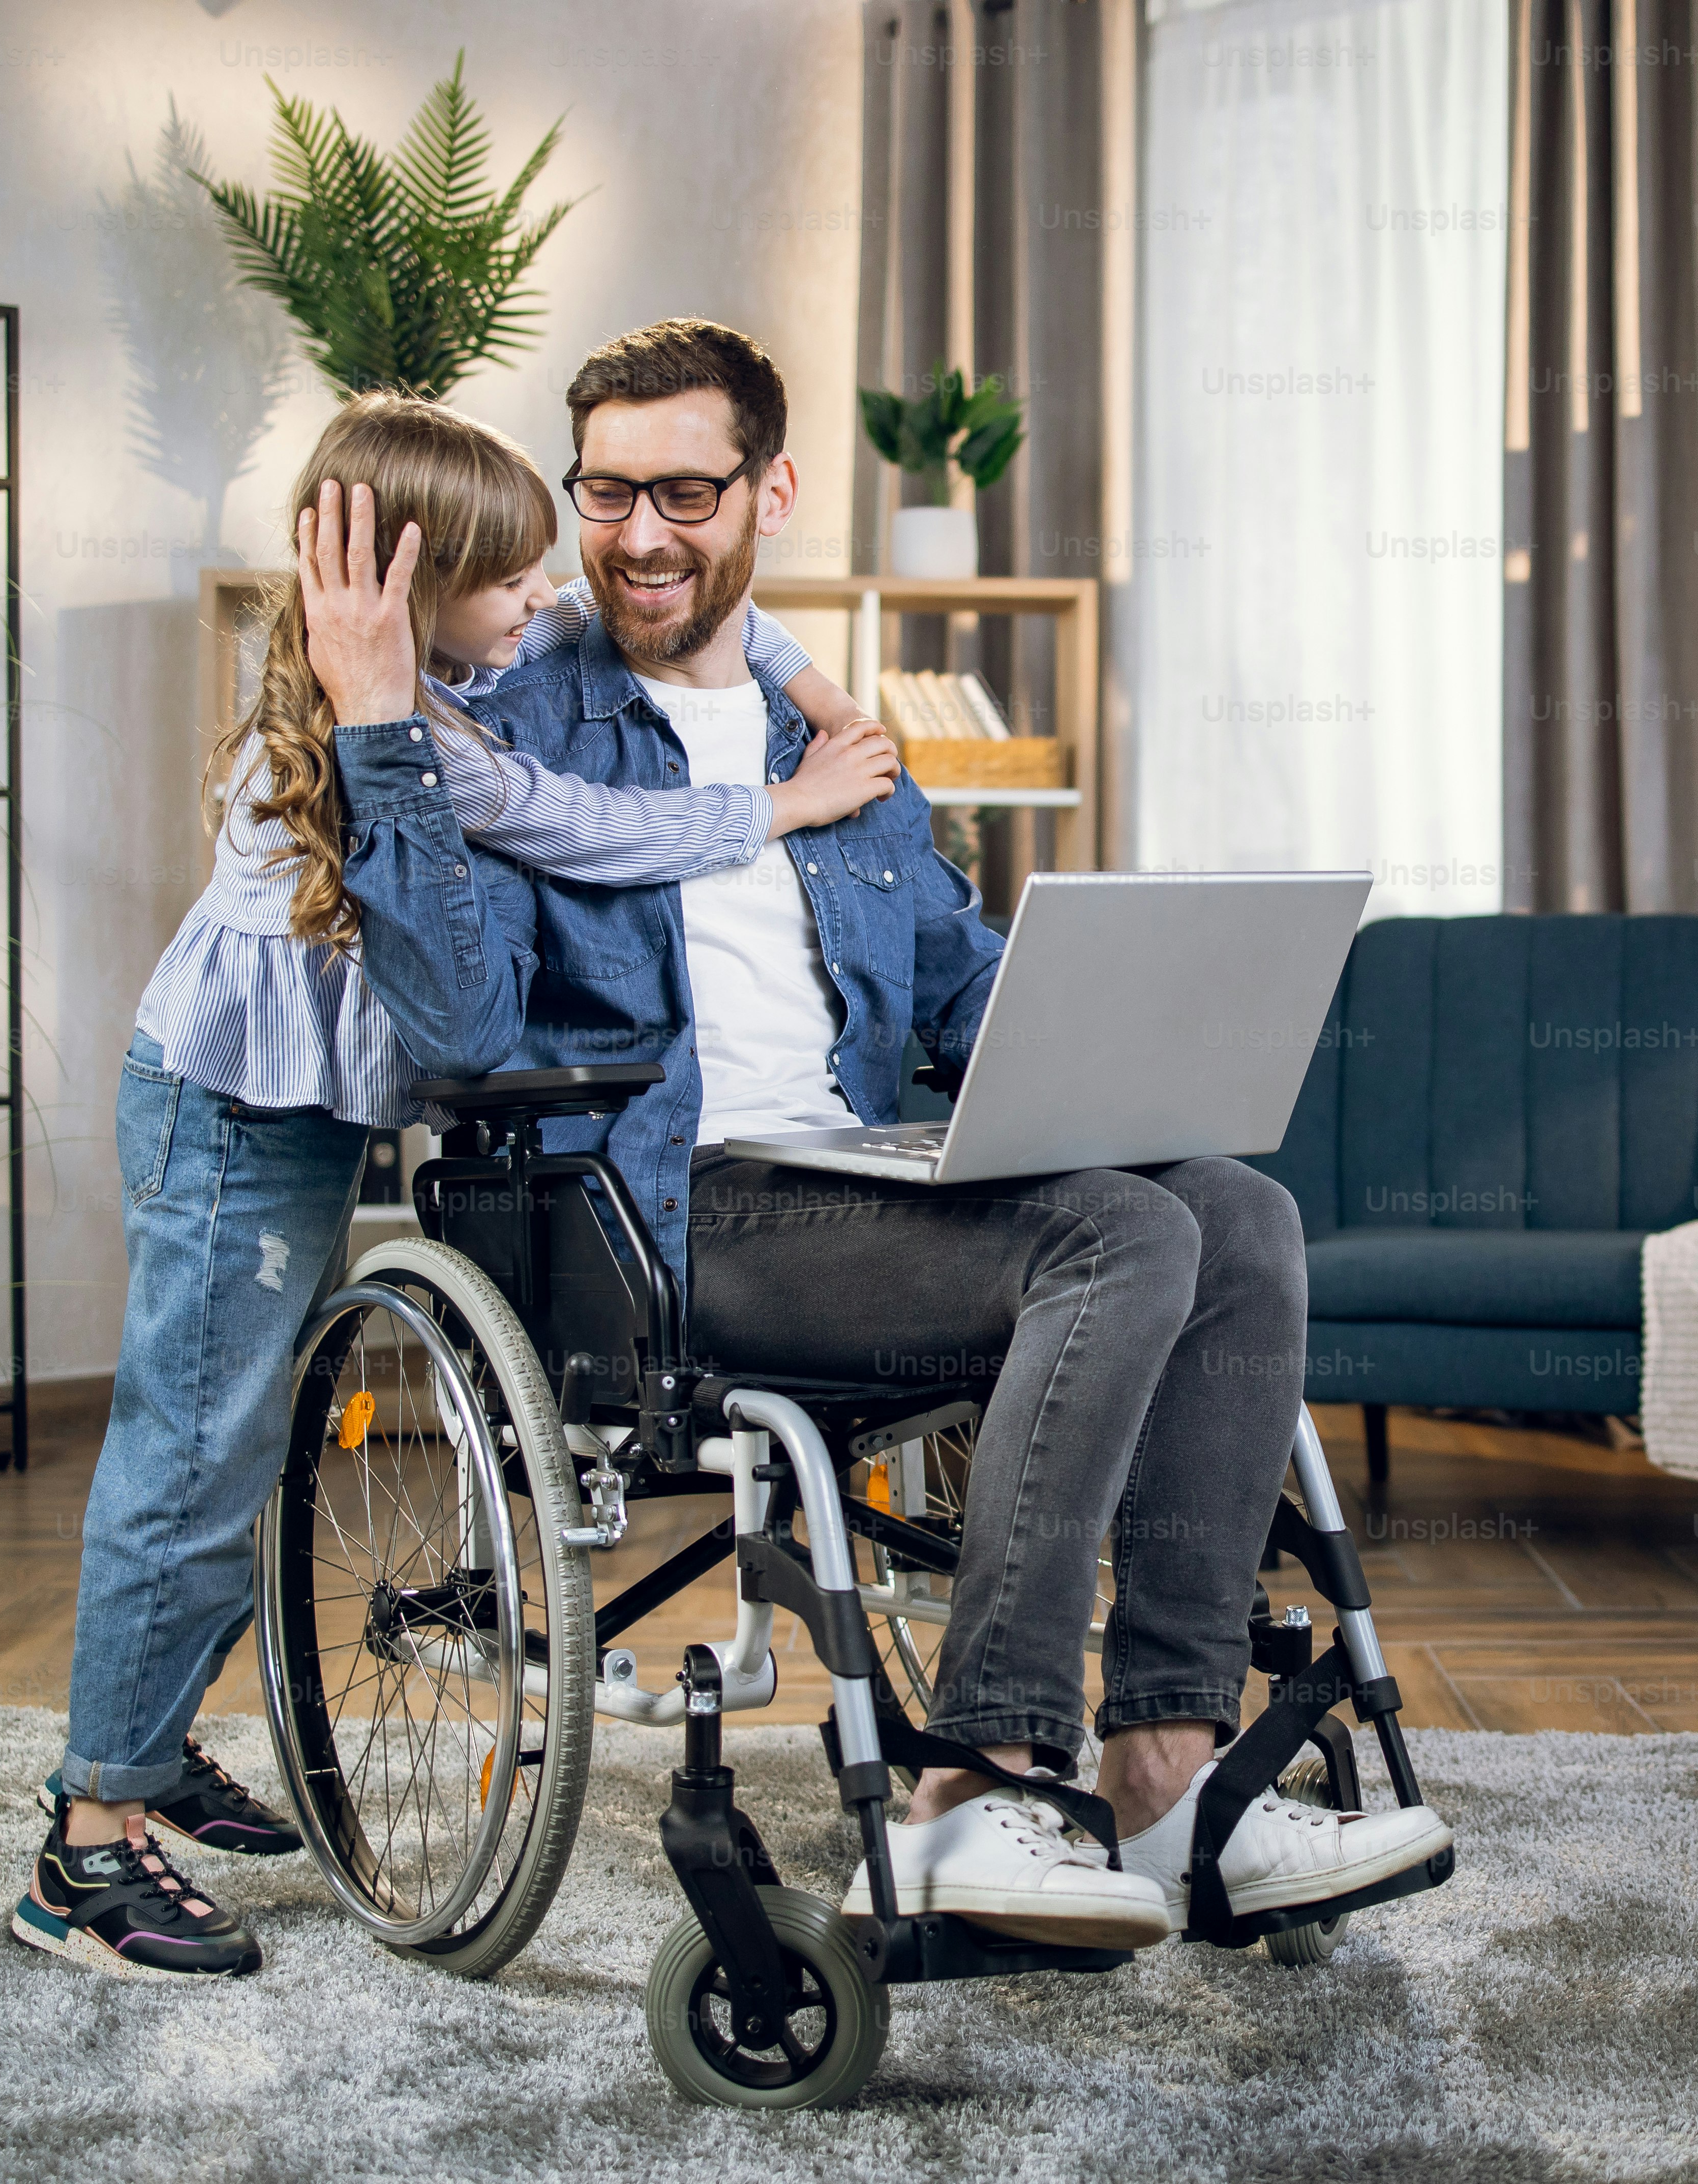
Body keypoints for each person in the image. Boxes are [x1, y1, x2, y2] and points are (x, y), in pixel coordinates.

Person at [316, 321, 1451, 1952]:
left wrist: (1122, 1041)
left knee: (1235, 1211)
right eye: (608, 493)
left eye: (686, 493)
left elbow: (948, 986)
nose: (640, 536)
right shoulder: (512, 721)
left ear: (771, 489)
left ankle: (1168, 1759)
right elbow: (455, 1032)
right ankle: (974, 1786)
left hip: (855, 1188)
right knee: (1124, 1236)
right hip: (661, 1221)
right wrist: (379, 729)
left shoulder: (825, 743)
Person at [15, 393, 901, 1982]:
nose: (542, 602)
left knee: (235, 1457)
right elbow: (588, 824)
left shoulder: (450, 693)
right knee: (193, 1459)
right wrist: (778, 807)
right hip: (229, 1117)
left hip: (293, 1121)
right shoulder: (394, 744)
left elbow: (725, 635)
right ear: (414, 595)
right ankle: (86, 1845)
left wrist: (816, 702)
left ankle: (141, 1754)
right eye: (507, 583)